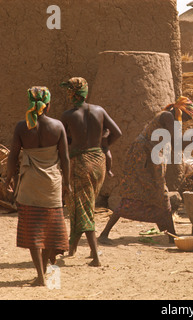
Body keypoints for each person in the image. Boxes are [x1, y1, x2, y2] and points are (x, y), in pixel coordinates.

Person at [99, 96, 193, 244]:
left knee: (155, 195)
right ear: (179, 111)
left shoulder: (171, 119)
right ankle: (172, 237)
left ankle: (171, 236)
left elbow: (179, 146)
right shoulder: (167, 116)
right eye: (186, 117)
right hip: (142, 159)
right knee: (151, 194)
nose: (184, 121)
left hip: (150, 158)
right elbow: (177, 144)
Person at [6, 86, 71, 286]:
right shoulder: (58, 126)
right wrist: (67, 184)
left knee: (33, 229)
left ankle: (41, 276)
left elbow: (12, 157)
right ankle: (43, 270)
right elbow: (65, 158)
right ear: (48, 105)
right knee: (51, 229)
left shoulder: (21, 127)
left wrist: (10, 178)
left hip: (29, 184)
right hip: (51, 183)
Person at [60, 77, 122, 266]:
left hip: (80, 163)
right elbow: (117, 132)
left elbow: (62, 142)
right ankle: (72, 247)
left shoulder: (68, 115)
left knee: (83, 208)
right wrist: (103, 147)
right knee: (82, 205)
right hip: (98, 163)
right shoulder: (99, 110)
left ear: (72, 93)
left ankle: (95, 256)